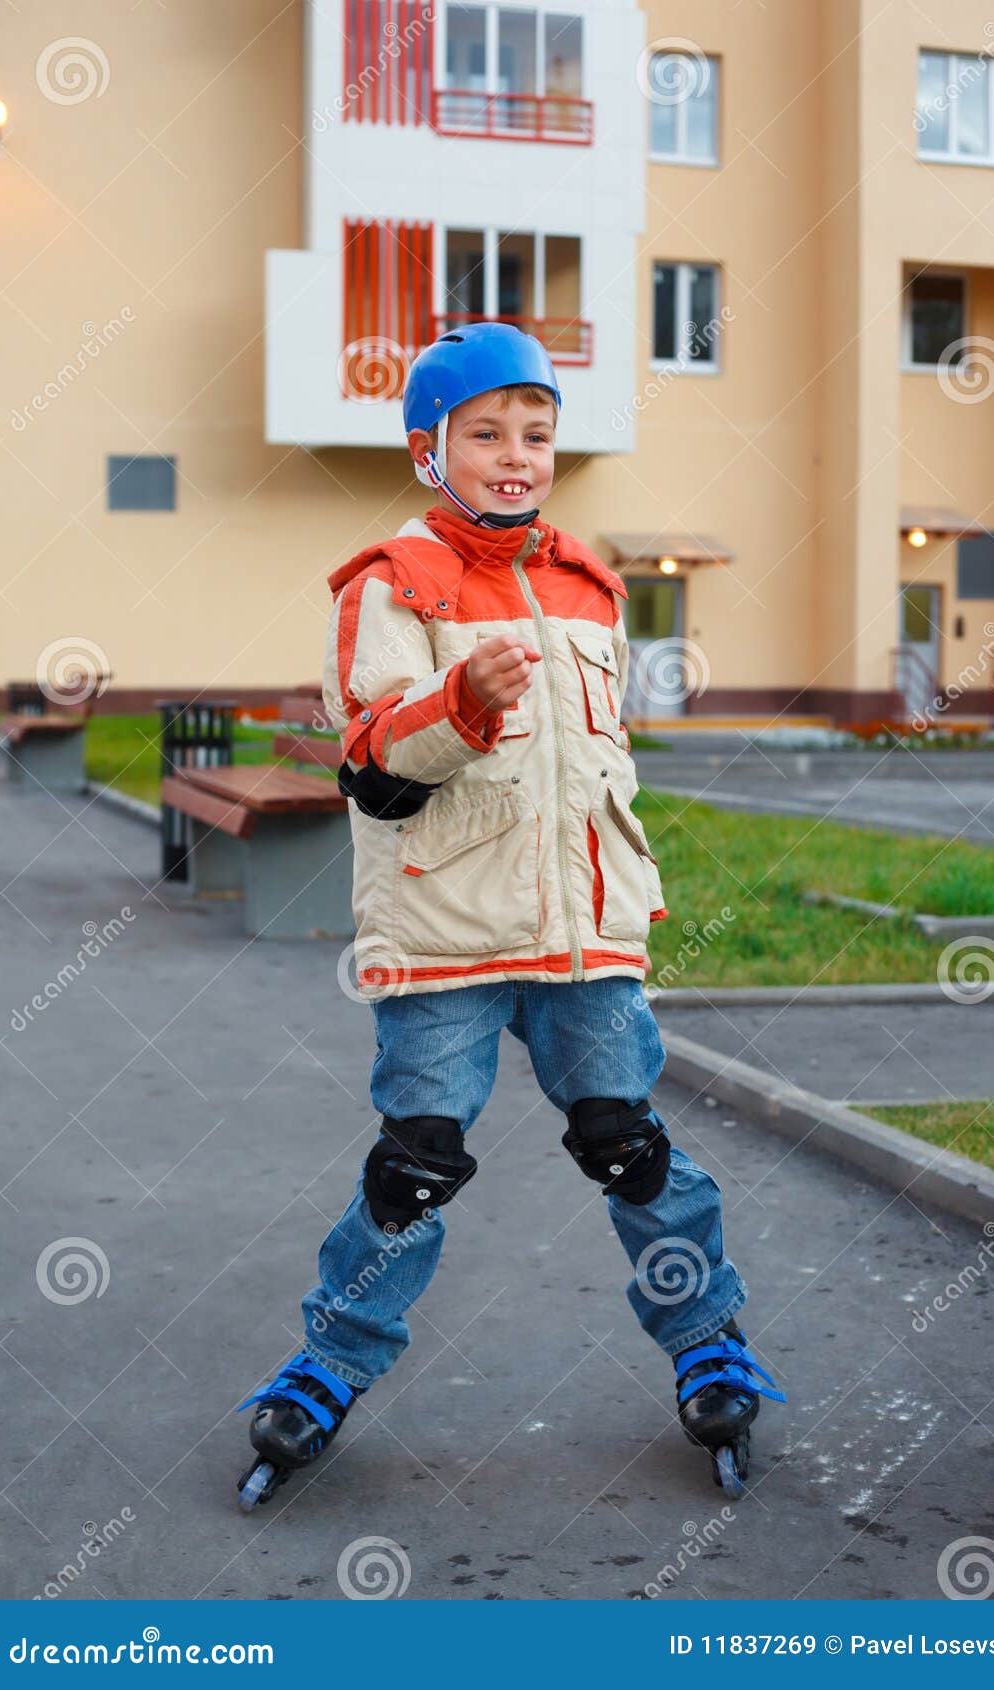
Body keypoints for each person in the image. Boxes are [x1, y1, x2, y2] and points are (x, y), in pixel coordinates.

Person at [234, 323, 784, 1511]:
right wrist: (460, 703)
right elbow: (374, 761)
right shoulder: (390, 580)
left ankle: (707, 1335)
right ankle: (329, 1360)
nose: (515, 453)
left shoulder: (589, 584)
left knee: (627, 1146)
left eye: (534, 433)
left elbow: (602, 768)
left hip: (583, 936)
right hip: (445, 936)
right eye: (484, 432)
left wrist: (624, 893)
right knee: (412, 1167)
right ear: (430, 450)